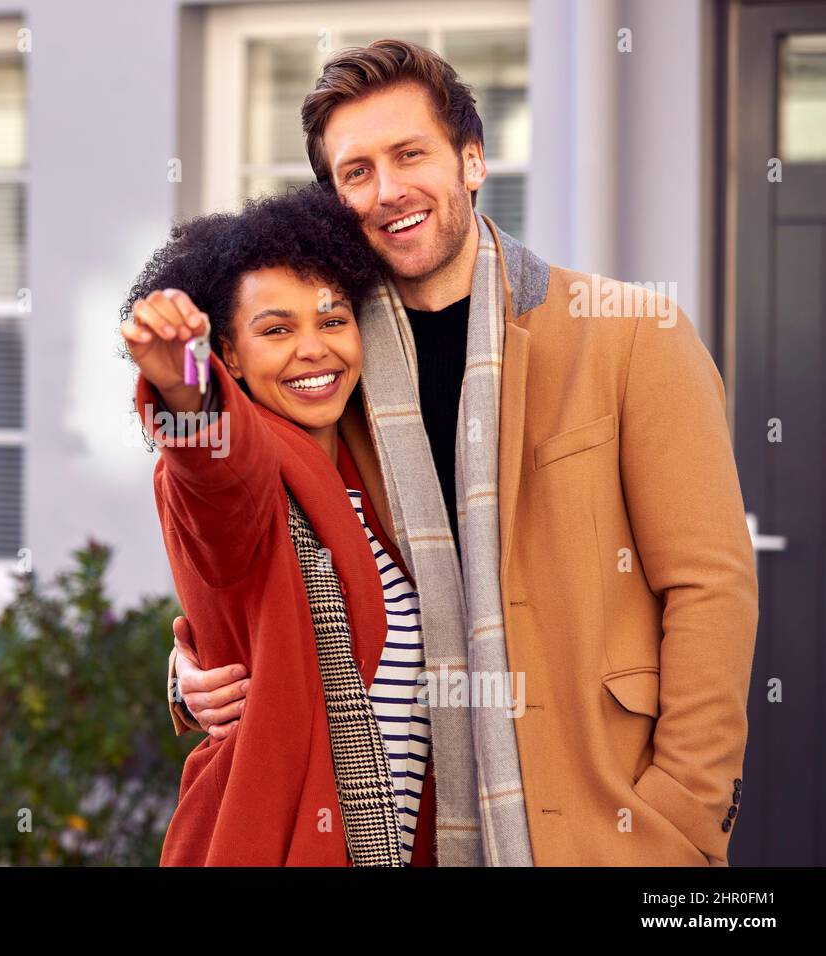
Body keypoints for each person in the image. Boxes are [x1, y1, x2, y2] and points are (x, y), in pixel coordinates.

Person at [164, 39, 758, 866]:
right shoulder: (333, 372)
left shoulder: (628, 336)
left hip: (605, 819)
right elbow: (255, 532)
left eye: (411, 155)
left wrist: (683, 814)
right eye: (357, 171)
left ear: (472, 160)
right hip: (412, 827)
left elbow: (711, 589)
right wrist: (195, 670)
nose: (389, 190)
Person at [122, 182, 435, 865]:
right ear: (229, 355)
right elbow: (215, 477)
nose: (313, 349)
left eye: (332, 319)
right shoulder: (243, 473)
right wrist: (186, 388)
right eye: (276, 330)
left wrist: (182, 679)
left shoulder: (388, 472)